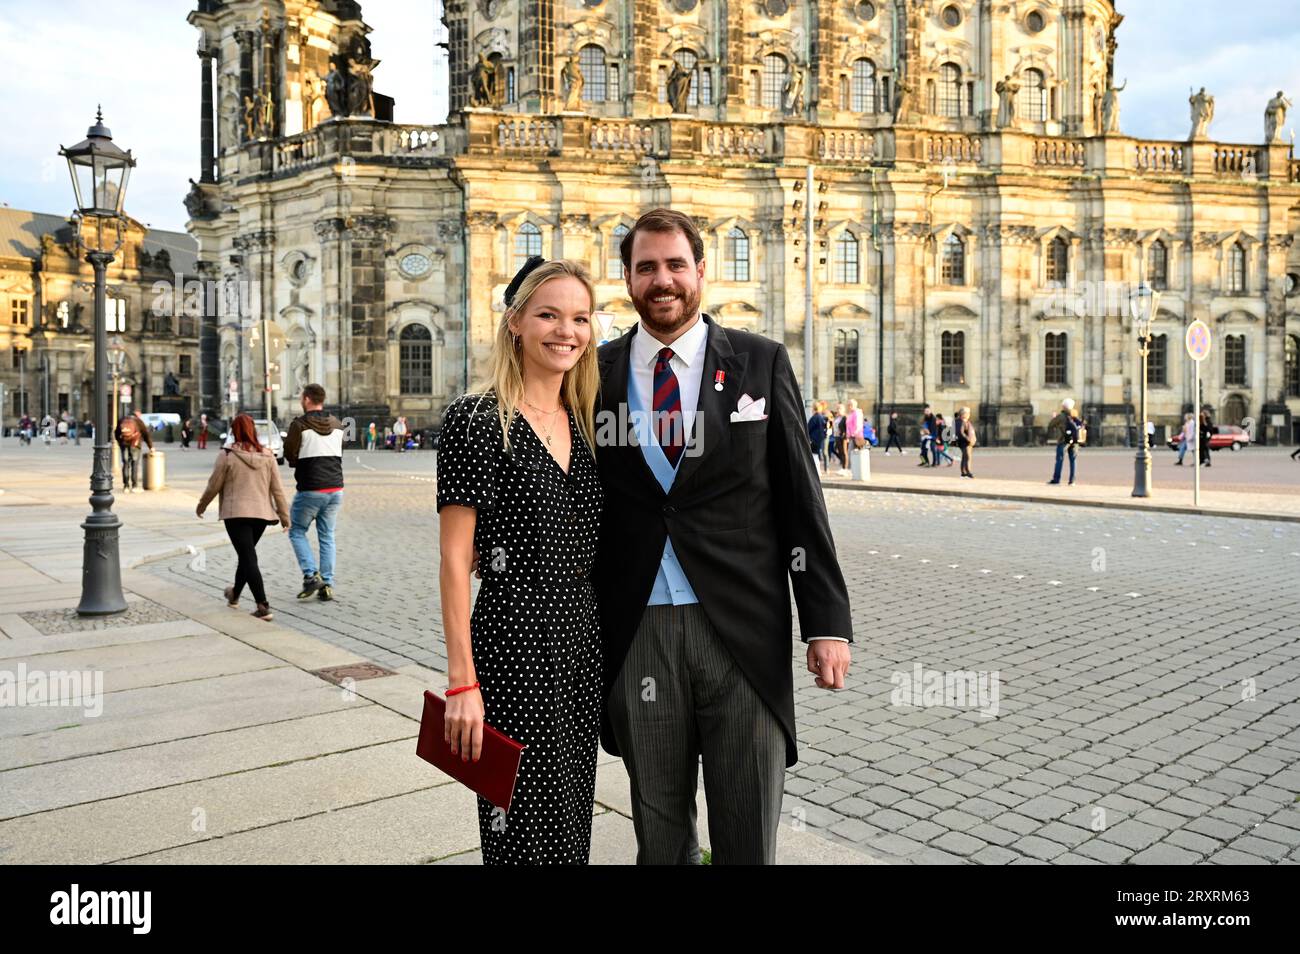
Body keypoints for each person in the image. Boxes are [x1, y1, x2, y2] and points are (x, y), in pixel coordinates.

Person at [594, 209, 852, 864]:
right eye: (646, 267)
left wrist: (825, 623)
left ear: (700, 272)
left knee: (747, 827)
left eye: (676, 265)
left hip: (740, 627)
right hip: (638, 631)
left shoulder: (759, 362)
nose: (663, 280)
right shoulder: (593, 373)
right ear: (626, 278)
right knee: (660, 834)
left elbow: (800, 497)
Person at [437, 256, 603, 865]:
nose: (567, 331)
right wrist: (463, 683)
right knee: (516, 832)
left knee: (569, 823)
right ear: (515, 323)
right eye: (549, 315)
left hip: (580, 643)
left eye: (580, 318)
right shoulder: (477, 420)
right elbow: (456, 562)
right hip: (511, 643)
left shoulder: (587, 422)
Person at [195, 413, 290, 621]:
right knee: (246, 556)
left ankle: (263, 606)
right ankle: (234, 595)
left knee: (248, 557)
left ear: (234, 432)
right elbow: (278, 490)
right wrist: (285, 517)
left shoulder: (227, 455)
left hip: (235, 514)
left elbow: (214, 485)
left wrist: (201, 506)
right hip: (261, 516)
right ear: (253, 430)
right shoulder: (268, 456)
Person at [284, 383, 346, 602]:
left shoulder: (299, 425)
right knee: (327, 535)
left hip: (311, 488)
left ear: (307, 399)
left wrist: (298, 461)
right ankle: (327, 584)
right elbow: (340, 451)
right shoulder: (338, 424)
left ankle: (311, 575)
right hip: (335, 488)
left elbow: (289, 454)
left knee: (297, 531)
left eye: (302, 398)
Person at [114, 409, 153, 493]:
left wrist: (120, 443)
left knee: (125, 464)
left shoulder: (122, 420)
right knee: (134, 464)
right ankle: (134, 486)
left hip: (124, 444)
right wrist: (151, 447)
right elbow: (146, 434)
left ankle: (126, 486)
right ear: (137, 415)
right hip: (135, 445)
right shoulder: (138, 421)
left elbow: (116, 433)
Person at [1047, 398, 1081, 485]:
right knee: (1073, 460)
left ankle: (1056, 479)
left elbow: (1051, 424)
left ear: (1064, 406)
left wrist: (1054, 418)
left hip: (1063, 440)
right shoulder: (1075, 415)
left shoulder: (1061, 416)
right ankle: (1072, 481)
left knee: (1059, 460)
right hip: (1074, 441)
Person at [807, 402, 829, 471]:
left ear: (813, 408)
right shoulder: (822, 417)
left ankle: (816, 471)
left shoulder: (814, 418)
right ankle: (819, 470)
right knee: (817, 455)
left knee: (814, 455)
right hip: (820, 438)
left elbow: (808, 428)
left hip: (813, 439)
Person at [957, 406, 976, 478]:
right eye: (968, 413)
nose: (969, 414)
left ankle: (963, 472)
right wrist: (968, 439)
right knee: (967, 457)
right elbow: (960, 433)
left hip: (967, 443)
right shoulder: (961, 422)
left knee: (965, 457)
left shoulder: (965, 421)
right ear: (963, 414)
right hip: (965, 443)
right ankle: (968, 472)